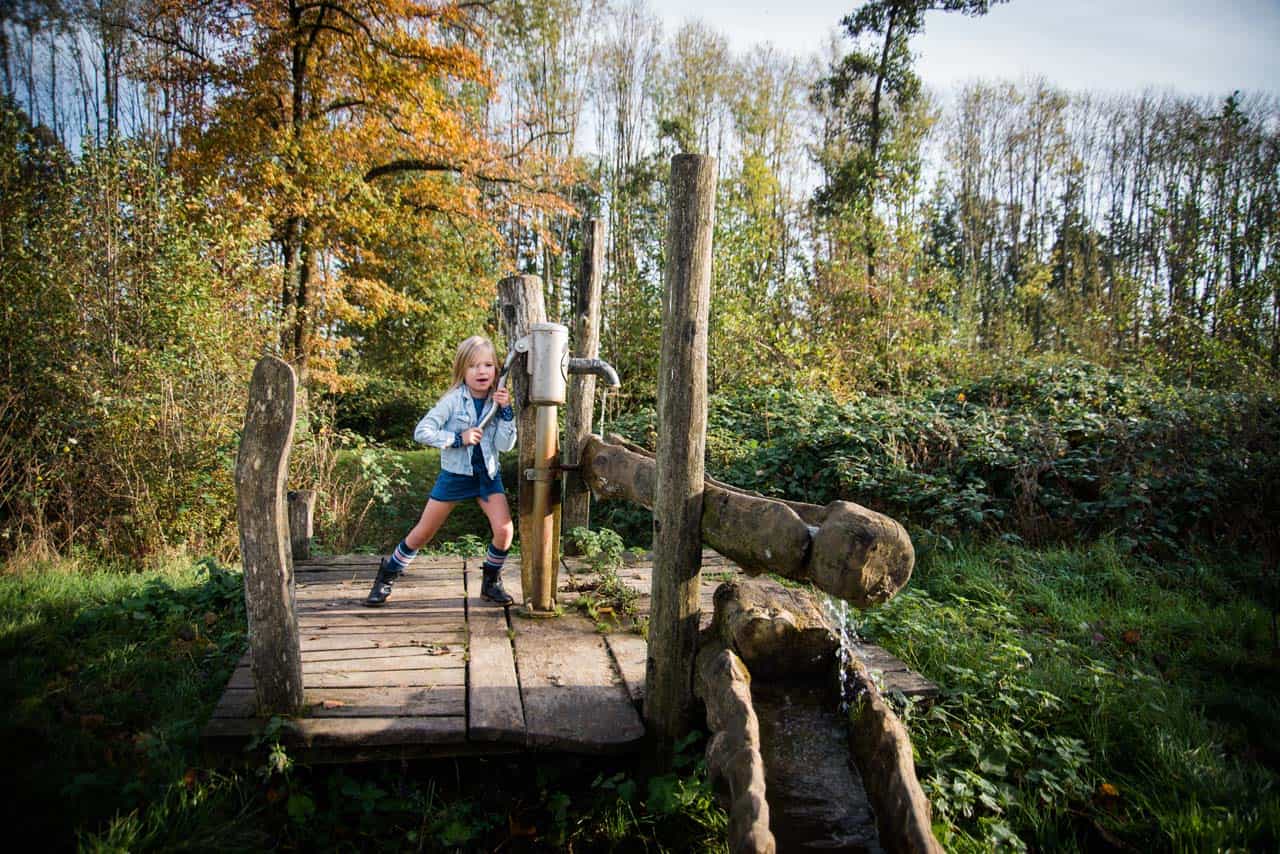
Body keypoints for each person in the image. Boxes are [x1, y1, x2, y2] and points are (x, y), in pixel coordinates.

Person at [366, 335, 517, 607]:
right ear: (462, 370)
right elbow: (422, 432)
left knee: (505, 531)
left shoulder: (499, 401)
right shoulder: (452, 401)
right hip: (455, 476)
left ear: (496, 368)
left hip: (487, 477)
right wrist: (458, 438)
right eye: (473, 366)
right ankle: (387, 575)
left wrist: (506, 412)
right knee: (423, 532)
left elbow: (505, 446)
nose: (481, 371)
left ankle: (490, 583)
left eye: (487, 365)